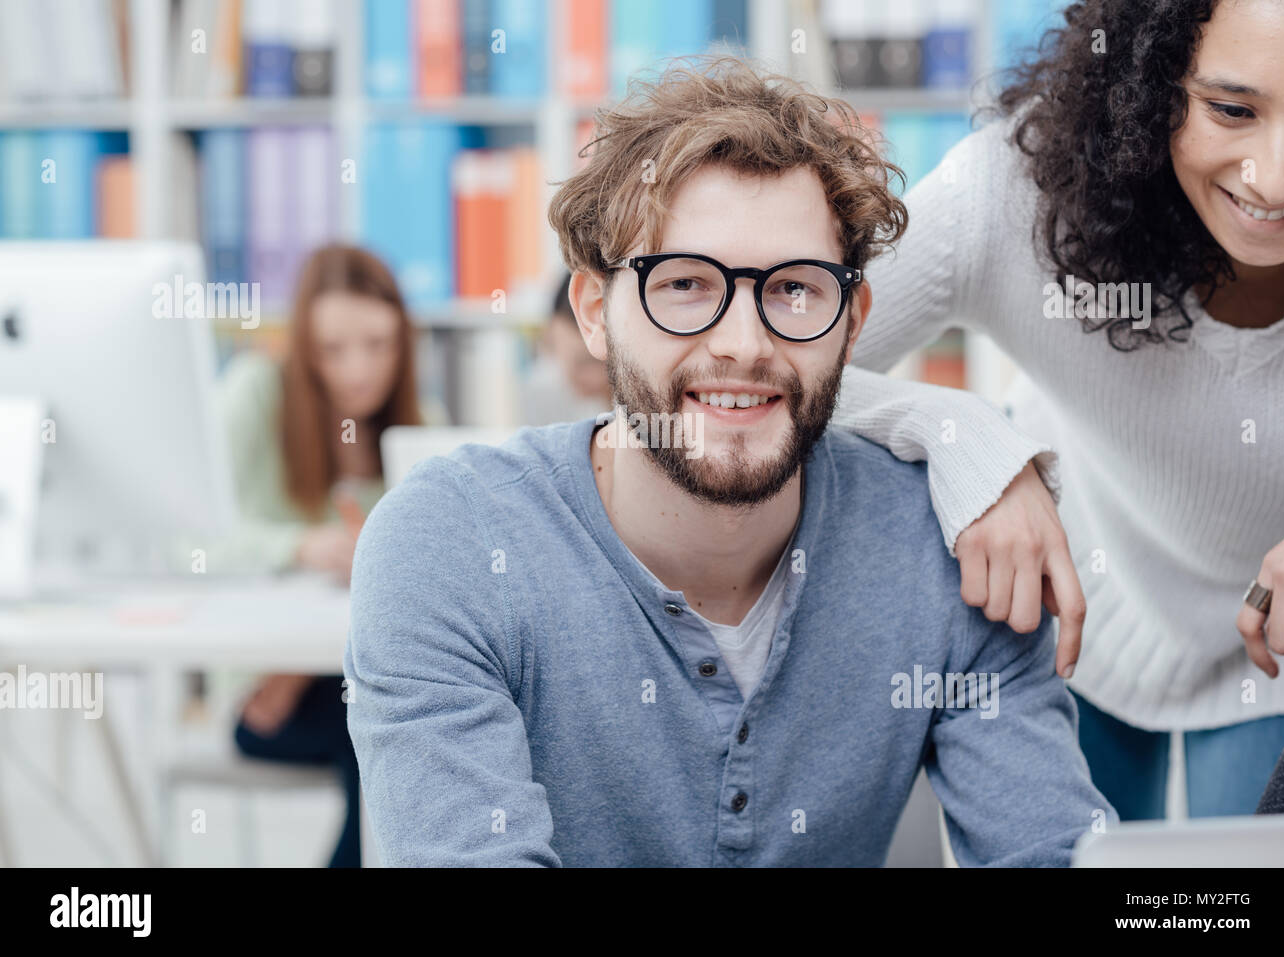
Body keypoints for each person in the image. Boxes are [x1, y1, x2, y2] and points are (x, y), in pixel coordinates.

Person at [344, 57, 1115, 866]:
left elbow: (1055, 855)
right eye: (682, 283)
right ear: (594, 313)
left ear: (852, 323)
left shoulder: (954, 547)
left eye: (793, 290)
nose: (743, 344)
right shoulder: (447, 547)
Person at [829, 0, 1284, 820]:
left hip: (1278, 650)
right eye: (1232, 109)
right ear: (1149, 82)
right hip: (1063, 608)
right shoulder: (1016, 196)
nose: (1278, 175)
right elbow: (775, 371)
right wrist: (969, 439)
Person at [215, 243, 435, 867]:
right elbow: (190, 538)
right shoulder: (258, 394)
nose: (359, 368)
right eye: (334, 349)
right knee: (390, 738)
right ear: (304, 349)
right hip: (266, 689)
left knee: (414, 727)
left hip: (377, 676)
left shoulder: (422, 428)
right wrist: (300, 546)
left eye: (379, 344)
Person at [516, 272, 613, 425]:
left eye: (603, 363)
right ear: (550, 336)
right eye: (583, 362)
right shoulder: (541, 391)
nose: (596, 377)